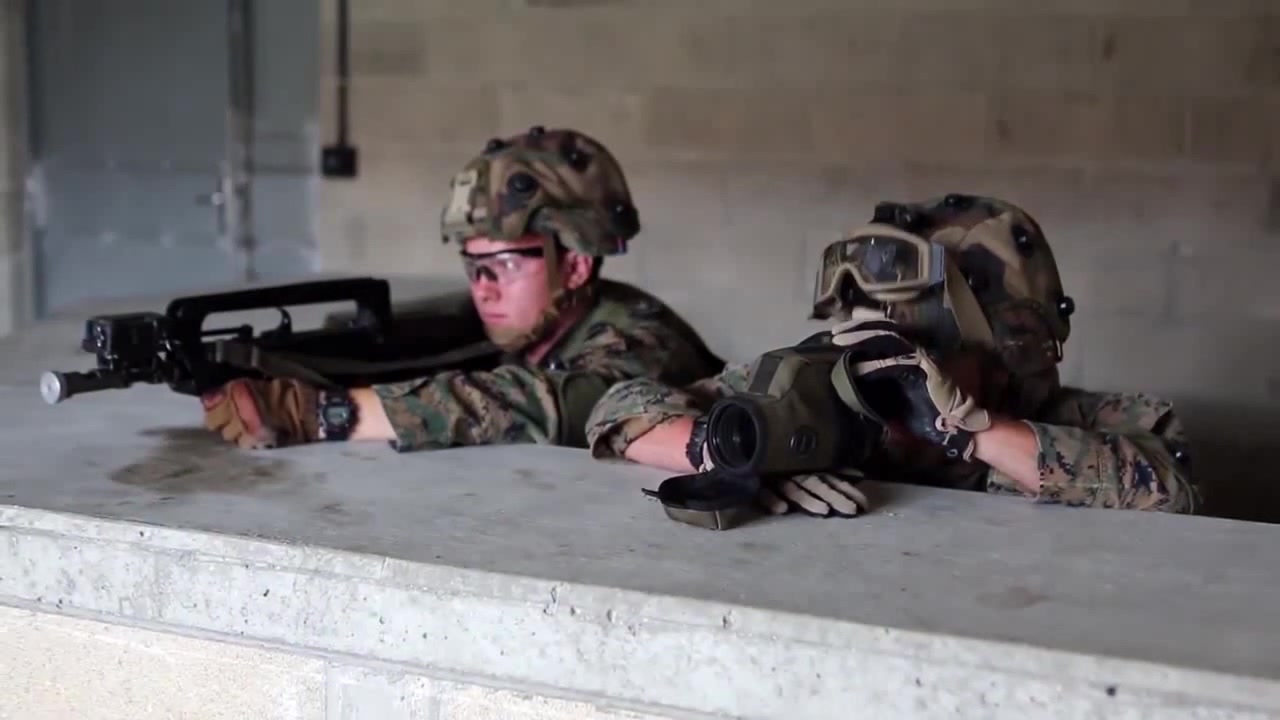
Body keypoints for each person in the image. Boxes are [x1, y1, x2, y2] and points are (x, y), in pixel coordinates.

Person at [584, 194, 1200, 518]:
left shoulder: (1084, 420)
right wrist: (740, 455)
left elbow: (1172, 488)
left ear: (1002, 356)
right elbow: (621, 408)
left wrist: (971, 433)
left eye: (919, 355)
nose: (883, 375)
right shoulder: (835, 390)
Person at [200, 126, 724, 452]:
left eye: (504, 265)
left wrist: (320, 413)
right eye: (474, 267)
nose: (484, 289)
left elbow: (534, 404)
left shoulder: (643, 343)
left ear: (577, 265)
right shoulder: (531, 326)